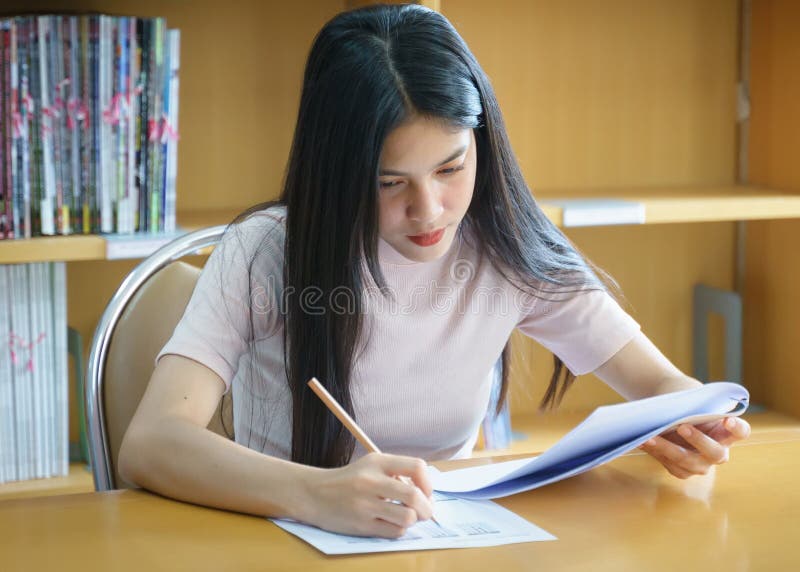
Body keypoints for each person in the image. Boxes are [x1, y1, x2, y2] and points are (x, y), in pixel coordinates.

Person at [119, 4, 750, 539]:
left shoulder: (507, 244)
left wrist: (688, 421)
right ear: (335, 174)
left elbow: (660, 382)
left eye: (451, 168)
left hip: (447, 539)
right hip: (282, 538)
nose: (429, 211)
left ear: (482, 142)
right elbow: (151, 443)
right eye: (390, 182)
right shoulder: (265, 254)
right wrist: (317, 495)